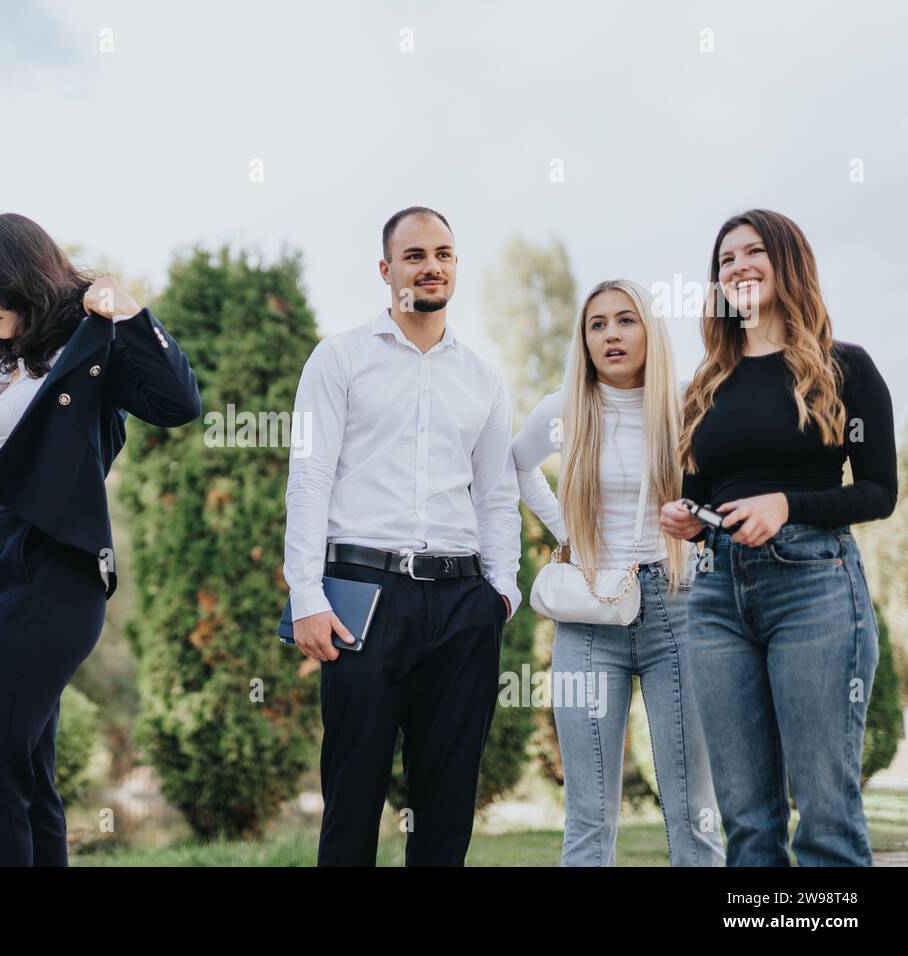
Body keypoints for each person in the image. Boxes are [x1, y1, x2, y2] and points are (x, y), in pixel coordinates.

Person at [0, 213, 201, 866]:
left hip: (50, 566)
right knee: (26, 779)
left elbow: (179, 403)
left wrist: (128, 312)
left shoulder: (91, 345)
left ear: (27, 281)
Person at [284, 206, 520, 867]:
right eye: (415, 255)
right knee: (352, 798)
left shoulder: (483, 376)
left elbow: (498, 495)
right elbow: (309, 477)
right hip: (361, 594)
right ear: (387, 271)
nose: (431, 265)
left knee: (446, 806)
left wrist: (500, 593)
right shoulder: (338, 359)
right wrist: (306, 591)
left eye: (443, 253)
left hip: (462, 602)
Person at [660, 209, 897, 866]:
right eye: (725, 259)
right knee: (748, 822)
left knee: (825, 811)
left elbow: (879, 492)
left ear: (787, 261)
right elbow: (700, 493)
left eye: (753, 251)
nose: (737, 266)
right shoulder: (706, 385)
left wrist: (787, 504)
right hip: (716, 598)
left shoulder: (845, 366)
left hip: (813, 587)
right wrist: (684, 516)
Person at [513, 279, 723, 866]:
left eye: (625, 320)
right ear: (583, 339)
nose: (610, 334)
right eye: (597, 323)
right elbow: (517, 467)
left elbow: (722, 488)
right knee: (588, 812)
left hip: (677, 603)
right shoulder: (562, 410)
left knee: (693, 809)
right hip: (589, 611)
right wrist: (568, 533)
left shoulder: (687, 405)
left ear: (649, 330)